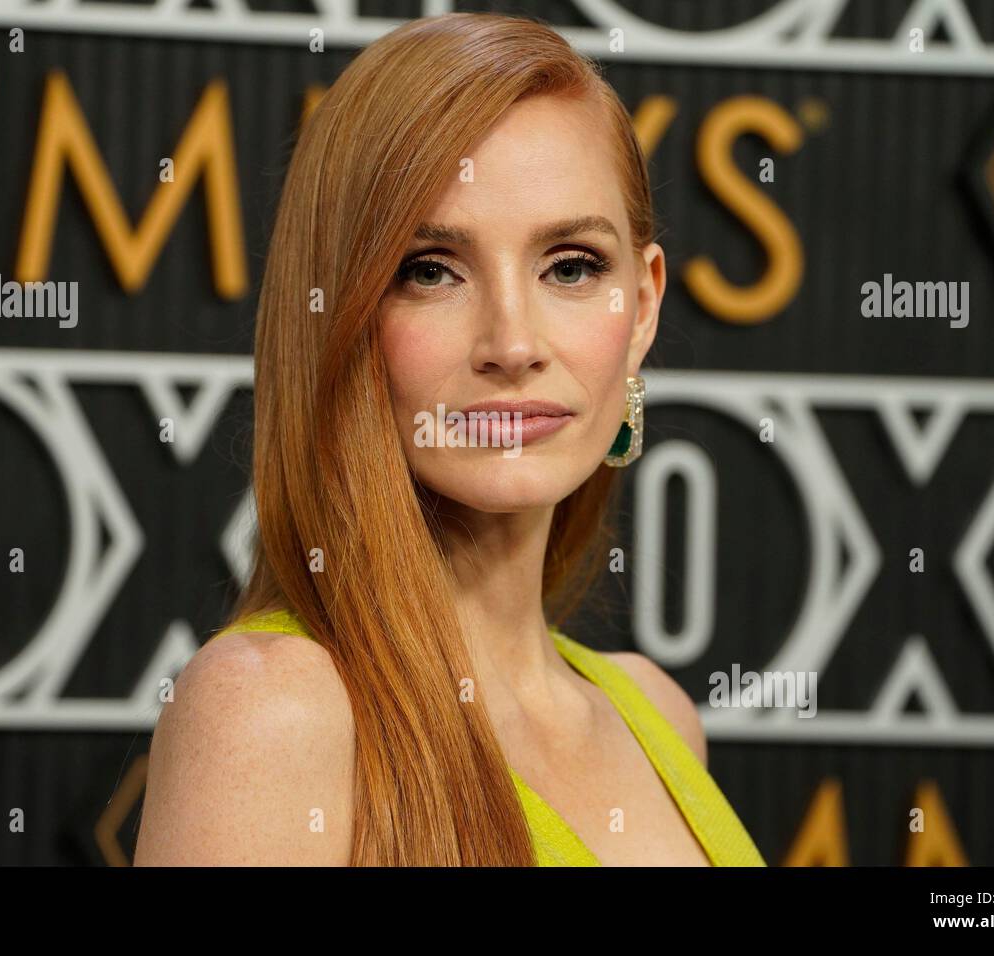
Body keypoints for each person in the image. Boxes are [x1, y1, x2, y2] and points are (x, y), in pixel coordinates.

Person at [135, 11, 765, 867]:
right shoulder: (268, 710)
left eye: (571, 266)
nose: (512, 343)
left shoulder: (660, 715)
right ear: (335, 312)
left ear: (643, 307)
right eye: (430, 270)